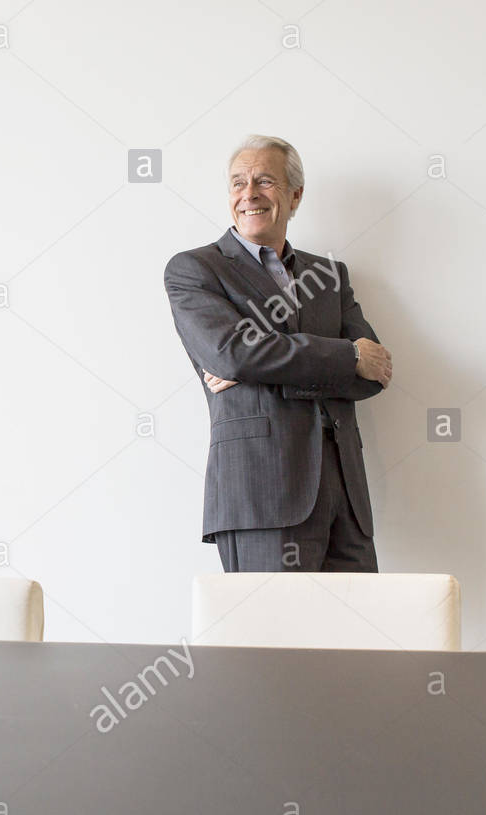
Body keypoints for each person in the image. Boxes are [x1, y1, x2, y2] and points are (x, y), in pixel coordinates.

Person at [163, 134, 392, 572]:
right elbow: (232, 353)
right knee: (270, 637)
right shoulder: (194, 269)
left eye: (264, 181)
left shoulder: (329, 275)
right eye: (237, 183)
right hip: (262, 491)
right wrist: (345, 357)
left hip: (345, 495)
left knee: (360, 636)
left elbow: (373, 373)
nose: (248, 194)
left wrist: (265, 363)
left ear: (295, 195)